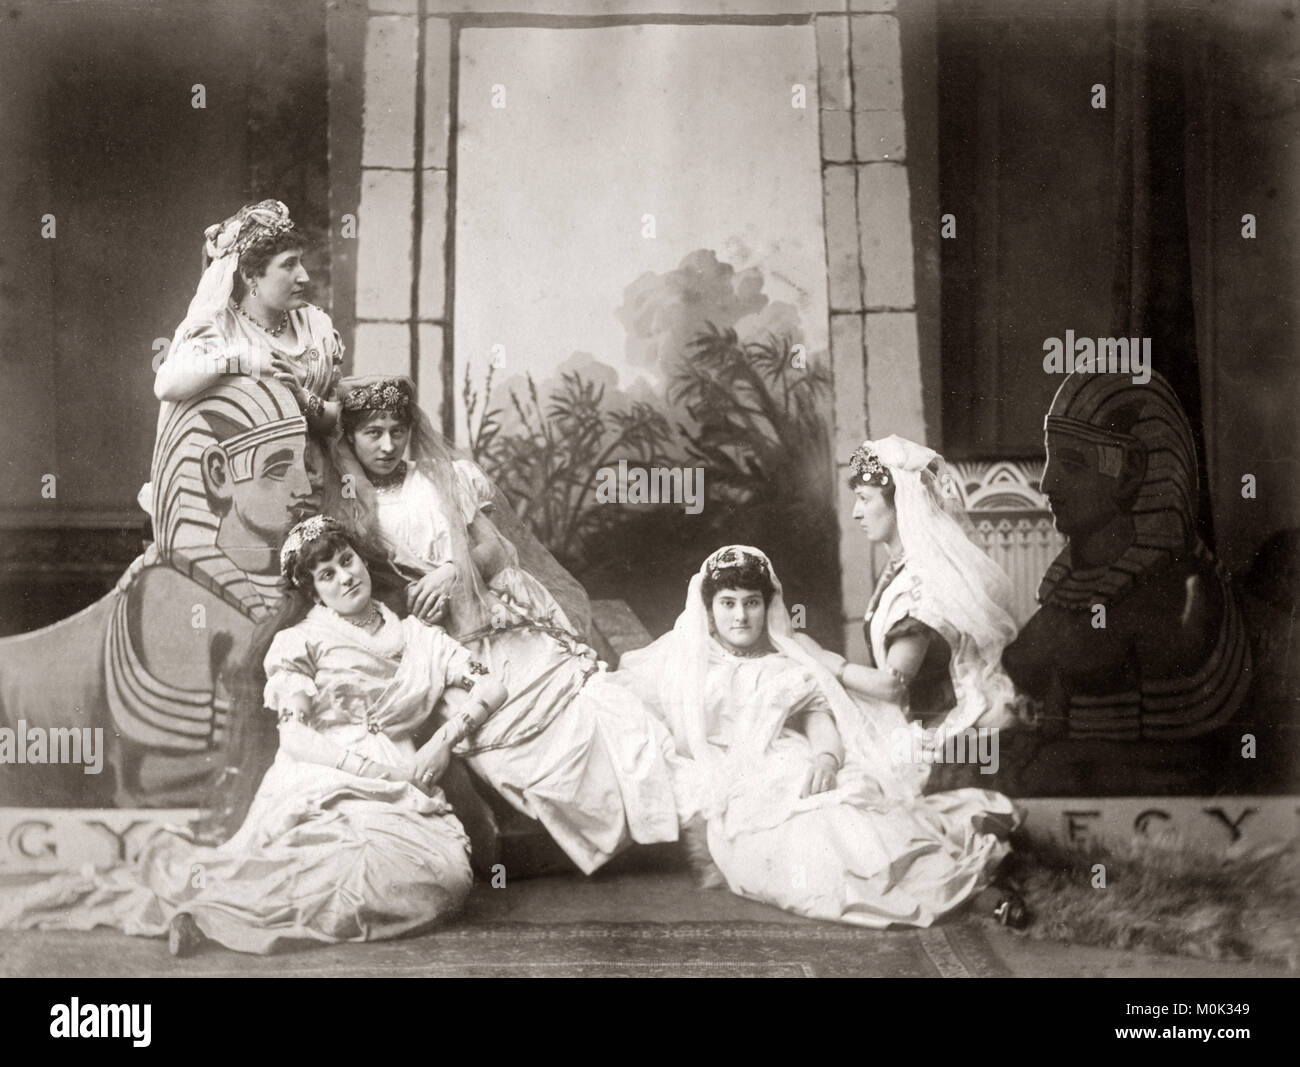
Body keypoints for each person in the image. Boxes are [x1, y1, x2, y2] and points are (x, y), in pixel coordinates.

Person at [0, 516, 506, 956]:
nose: (345, 578)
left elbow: (491, 682)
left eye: (347, 561)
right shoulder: (302, 641)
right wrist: (379, 774)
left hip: (408, 780)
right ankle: (211, 913)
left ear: (361, 560)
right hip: (323, 775)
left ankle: (216, 910)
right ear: (314, 592)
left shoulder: (420, 638)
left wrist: (444, 741)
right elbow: (297, 740)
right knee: (355, 870)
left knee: (446, 879)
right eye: (326, 575)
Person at [326, 376, 680, 874]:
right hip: (435, 642)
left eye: (397, 431)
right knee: (513, 753)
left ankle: (655, 821)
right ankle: (593, 834)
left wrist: (453, 570)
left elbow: (496, 549)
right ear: (349, 437)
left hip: (489, 615)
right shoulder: (347, 507)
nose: (388, 445)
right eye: (373, 433)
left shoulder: (443, 478)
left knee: (590, 716)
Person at [610, 545, 1024, 929]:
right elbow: (635, 704)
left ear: (767, 605)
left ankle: (960, 885)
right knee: (803, 852)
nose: (740, 616)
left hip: (792, 759)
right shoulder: (684, 659)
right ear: (709, 608)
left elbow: (817, 715)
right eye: (728, 604)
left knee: (849, 815)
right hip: (730, 779)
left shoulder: (784, 659)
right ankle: (937, 893)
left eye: (751, 603)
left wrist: (826, 758)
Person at [1001, 370, 1251, 790]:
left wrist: (1046, 766)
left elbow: (1185, 766)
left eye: (1072, 463)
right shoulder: (1069, 590)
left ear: (1132, 471)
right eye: (1050, 459)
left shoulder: (1180, 591)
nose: (1047, 485)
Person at [799, 435, 1021, 748]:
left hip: (947, 733)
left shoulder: (923, 582)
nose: (856, 513)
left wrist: (822, 658)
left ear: (902, 502)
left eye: (864, 498)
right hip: (916, 723)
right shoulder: (902, 568)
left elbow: (892, 685)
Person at [151, 199, 342, 440]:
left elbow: (342, 419)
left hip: (317, 470)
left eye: (300, 261)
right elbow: (166, 386)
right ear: (250, 276)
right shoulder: (218, 326)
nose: (303, 276)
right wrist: (239, 357)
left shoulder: (316, 325)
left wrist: (303, 399)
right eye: (289, 265)